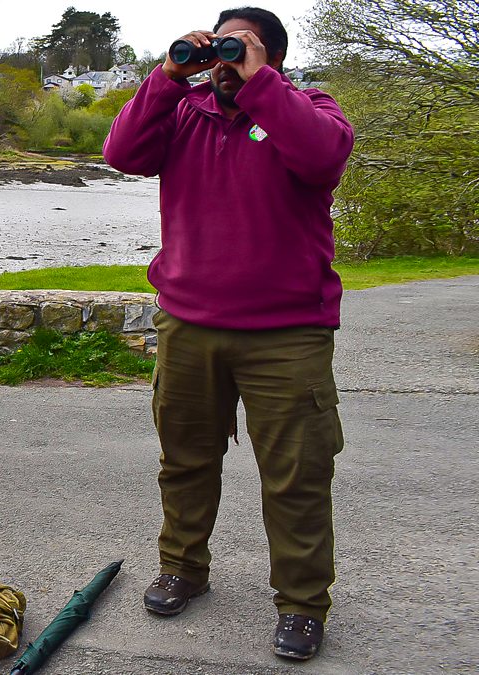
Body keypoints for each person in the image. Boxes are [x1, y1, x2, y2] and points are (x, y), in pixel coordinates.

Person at [103, 6, 354, 662]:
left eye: (235, 49)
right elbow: (122, 152)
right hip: (190, 321)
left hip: (288, 332)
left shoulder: (310, 107)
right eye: (214, 47)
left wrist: (260, 81)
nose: (220, 60)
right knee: (184, 459)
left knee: (296, 474)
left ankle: (302, 604)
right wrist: (165, 74)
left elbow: (323, 156)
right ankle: (183, 567)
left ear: (269, 55)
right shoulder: (184, 111)